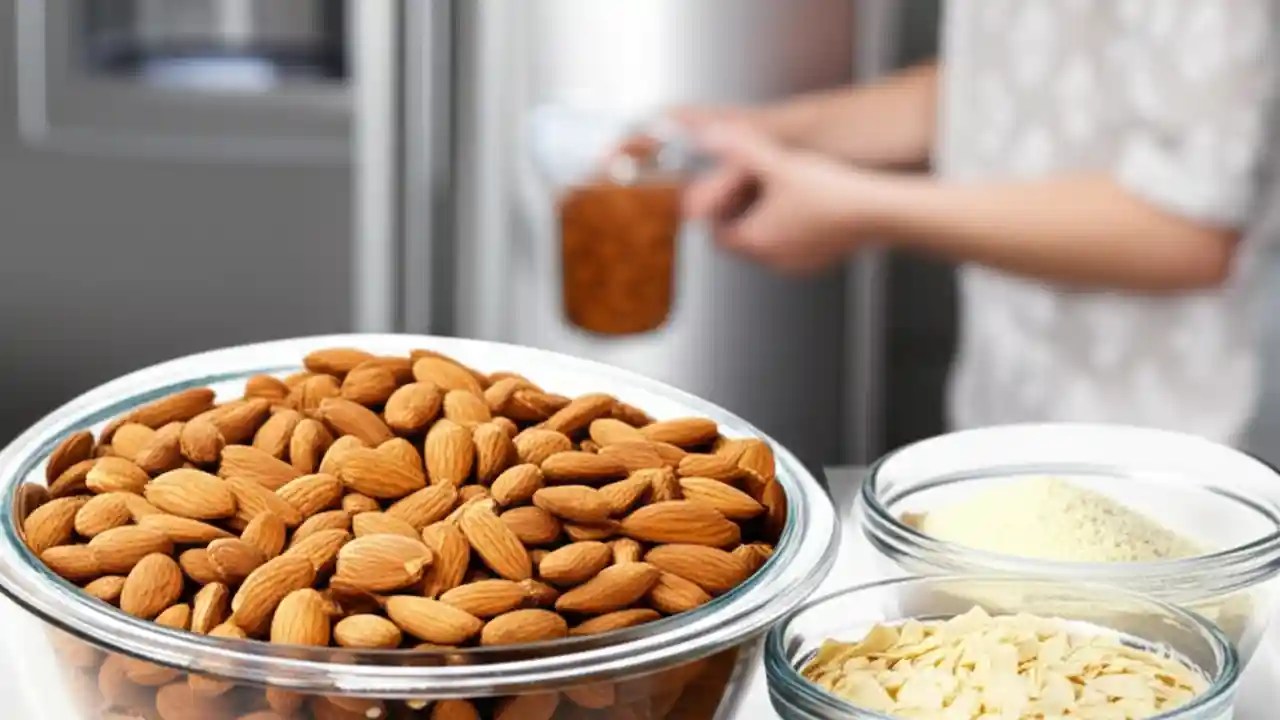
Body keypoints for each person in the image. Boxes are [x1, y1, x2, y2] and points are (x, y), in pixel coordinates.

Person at [680, 1, 1280, 445]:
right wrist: (759, 133)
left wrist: (862, 207)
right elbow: (1001, 73)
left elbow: (1189, 231)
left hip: (1176, 453)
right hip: (1002, 418)